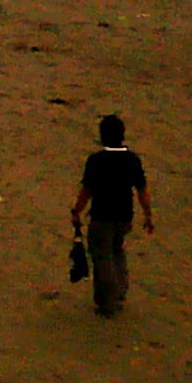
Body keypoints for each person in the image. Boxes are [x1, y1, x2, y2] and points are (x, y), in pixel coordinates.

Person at [69, 114, 154, 318]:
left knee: (102, 257)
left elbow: (87, 191)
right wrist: (148, 215)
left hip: (101, 215)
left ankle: (107, 299)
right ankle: (121, 290)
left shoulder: (96, 161)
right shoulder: (132, 160)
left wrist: (76, 211)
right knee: (117, 251)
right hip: (124, 216)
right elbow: (142, 190)